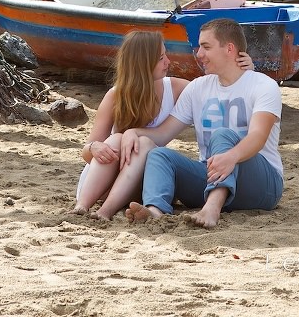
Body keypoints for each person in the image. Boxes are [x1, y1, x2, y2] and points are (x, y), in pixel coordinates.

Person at [122, 18, 283, 228]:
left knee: (222, 135)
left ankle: (212, 208)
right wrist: (132, 132)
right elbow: (162, 134)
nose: (199, 54)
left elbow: (258, 137)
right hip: (211, 176)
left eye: (206, 47)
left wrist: (231, 157)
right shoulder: (197, 88)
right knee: (159, 154)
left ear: (230, 49)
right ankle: (155, 210)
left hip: (262, 184)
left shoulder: (263, 86)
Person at [73, 31, 190, 220]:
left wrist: (246, 70)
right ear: (142, 63)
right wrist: (95, 147)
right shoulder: (115, 96)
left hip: (143, 186)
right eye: (161, 58)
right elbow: (87, 154)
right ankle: (82, 206)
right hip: (102, 186)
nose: (168, 62)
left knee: (143, 143)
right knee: (117, 139)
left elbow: (212, 90)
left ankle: (105, 212)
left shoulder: (176, 88)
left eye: (165, 55)